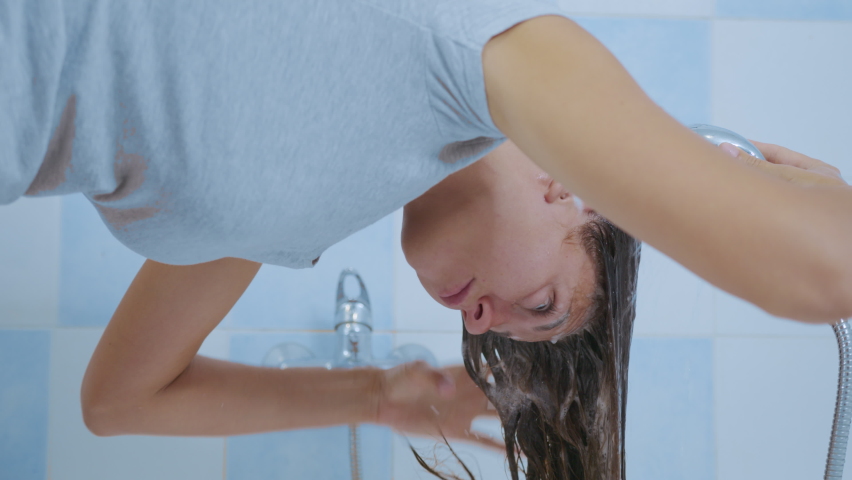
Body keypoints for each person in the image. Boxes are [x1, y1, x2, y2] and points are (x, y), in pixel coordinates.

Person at [3, 0, 850, 478]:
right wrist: (832, 206)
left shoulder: (306, 204)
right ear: (571, 189)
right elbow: (821, 274)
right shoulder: (494, 42)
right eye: (541, 305)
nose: (479, 323)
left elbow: (121, 401)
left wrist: (376, 397)